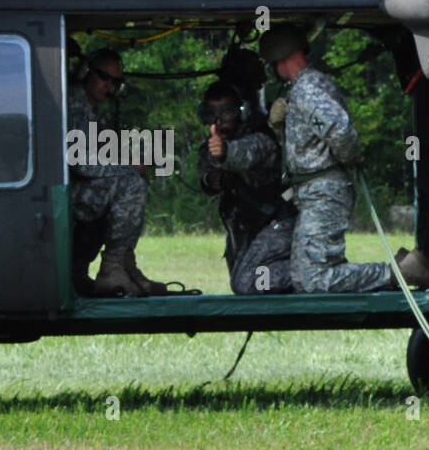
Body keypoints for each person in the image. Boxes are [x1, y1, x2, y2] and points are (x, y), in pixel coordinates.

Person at [257, 24, 429, 292]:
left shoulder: (307, 90)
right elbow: (313, 139)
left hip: (323, 190)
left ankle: (402, 272)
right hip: (314, 189)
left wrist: (348, 159)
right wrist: (284, 125)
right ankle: (400, 270)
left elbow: (340, 132)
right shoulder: (304, 89)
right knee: (303, 278)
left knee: (315, 279)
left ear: (281, 58)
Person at [67, 48, 172, 297]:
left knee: (131, 178)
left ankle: (123, 267)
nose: (110, 87)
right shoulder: (74, 105)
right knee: (130, 184)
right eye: (105, 77)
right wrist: (127, 167)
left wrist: (130, 161)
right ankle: (112, 269)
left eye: (116, 82)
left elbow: (103, 153)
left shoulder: (90, 111)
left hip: (72, 191)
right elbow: (79, 161)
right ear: (88, 73)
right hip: (61, 193)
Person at [197, 82, 296, 294]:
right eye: (211, 114)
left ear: (239, 113)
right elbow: (207, 181)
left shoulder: (258, 139)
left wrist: (225, 152)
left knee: (247, 283)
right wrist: (216, 177)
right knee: (248, 284)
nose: (219, 121)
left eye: (226, 113)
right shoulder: (208, 149)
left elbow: (245, 152)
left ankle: (311, 274)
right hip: (246, 230)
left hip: (278, 224)